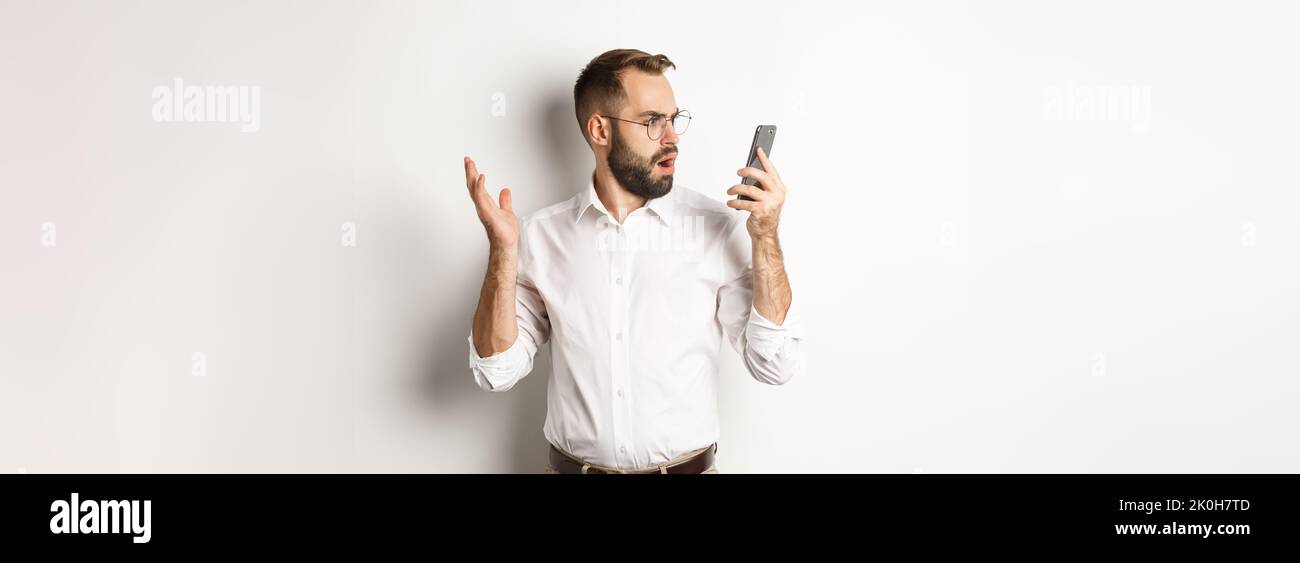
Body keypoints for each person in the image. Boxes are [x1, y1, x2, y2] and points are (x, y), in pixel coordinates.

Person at [463, 49, 802, 474]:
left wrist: (766, 236)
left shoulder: (718, 228)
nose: (672, 138)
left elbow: (775, 363)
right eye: (652, 121)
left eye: (674, 119)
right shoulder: (540, 237)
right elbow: (496, 371)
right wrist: (501, 252)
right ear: (600, 129)